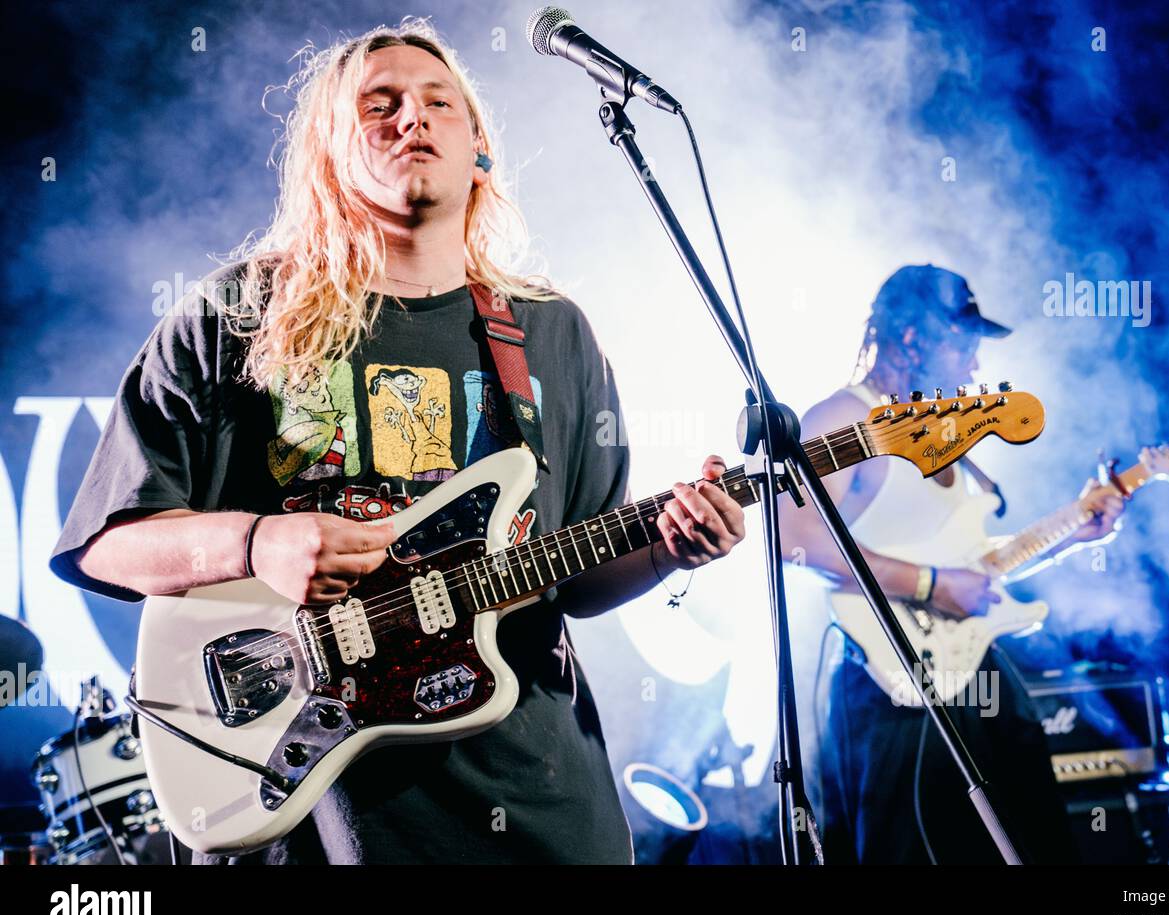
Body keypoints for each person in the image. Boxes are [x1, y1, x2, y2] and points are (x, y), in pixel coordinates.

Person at [48, 21, 745, 864]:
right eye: (377, 107)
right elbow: (107, 542)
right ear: (330, 154)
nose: (410, 118)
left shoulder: (551, 334)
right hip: (311, 809)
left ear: (478, 147)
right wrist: (257, 541)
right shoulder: (236, 316)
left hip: (534, 804)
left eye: (437, 102)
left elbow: (580, 572)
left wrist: (669, 549)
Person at [779, 264, 1124, 864]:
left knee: (1030, 842)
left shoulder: (937, 429)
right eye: (961, 343)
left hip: (971, 669)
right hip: (891, 678)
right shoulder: (843, 418)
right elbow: (794, 537)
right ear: (911, 338)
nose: (973, 364)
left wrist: (1075, 533)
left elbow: (974, 566)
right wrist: (931, 586)